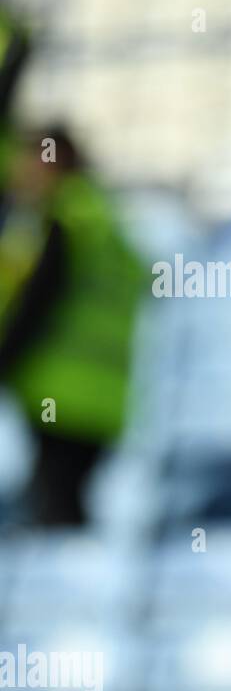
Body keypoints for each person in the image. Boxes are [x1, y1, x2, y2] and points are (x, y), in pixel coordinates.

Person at [0, 125, 147, 527]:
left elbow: (38, 302)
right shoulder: (102, 218)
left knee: (55, 508)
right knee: (67, 503)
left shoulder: (65, 220)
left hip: (61, 392)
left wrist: (5, 360)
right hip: (104, 397)